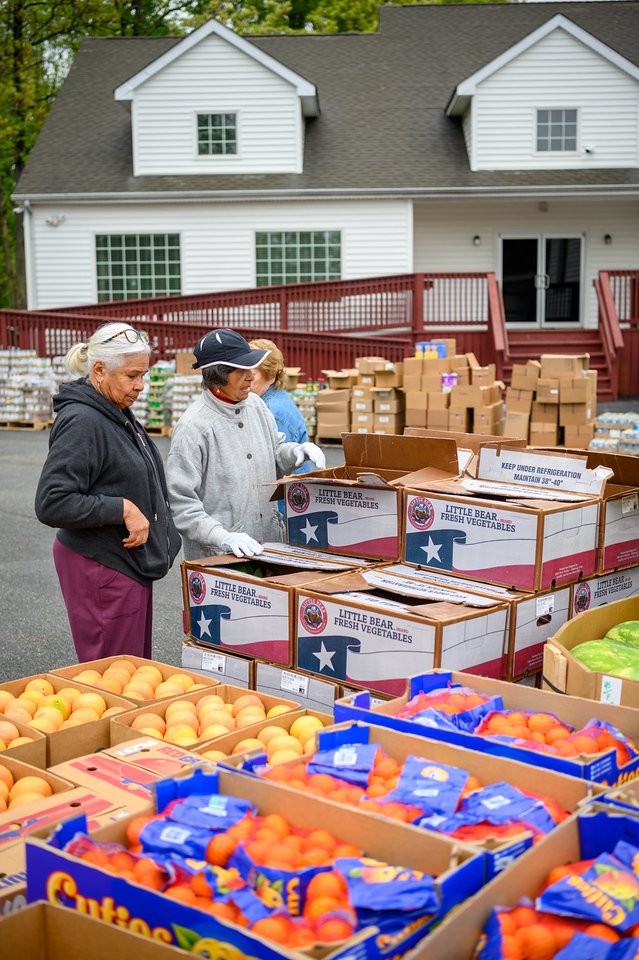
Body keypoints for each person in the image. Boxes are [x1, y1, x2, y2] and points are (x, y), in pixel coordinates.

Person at [35, 322, 181, 662]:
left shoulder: (113, 411)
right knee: (114, 677)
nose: (140, 386)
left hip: (126, 563)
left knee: (132, 671)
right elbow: (52, 501)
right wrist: (122, 509)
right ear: (99, 370)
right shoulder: (83, 421)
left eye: (143, 375)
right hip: (102, 566)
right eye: (132, 376)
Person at [166, 328, 325, 561]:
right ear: (219, 375)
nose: (251, 375)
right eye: (241, 370)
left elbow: (273, 459)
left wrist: (295, 452)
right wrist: (222, 537)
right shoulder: (194, 427)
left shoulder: (256, 406)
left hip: (269, 545)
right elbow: (181, 504)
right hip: (220, 558)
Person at [249, 337, 314, 474]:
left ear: (271, 377)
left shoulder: (272, 412)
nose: (246, 379)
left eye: (253, 374)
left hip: (283, 492)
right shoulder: (271, 398)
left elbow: (276, 467)